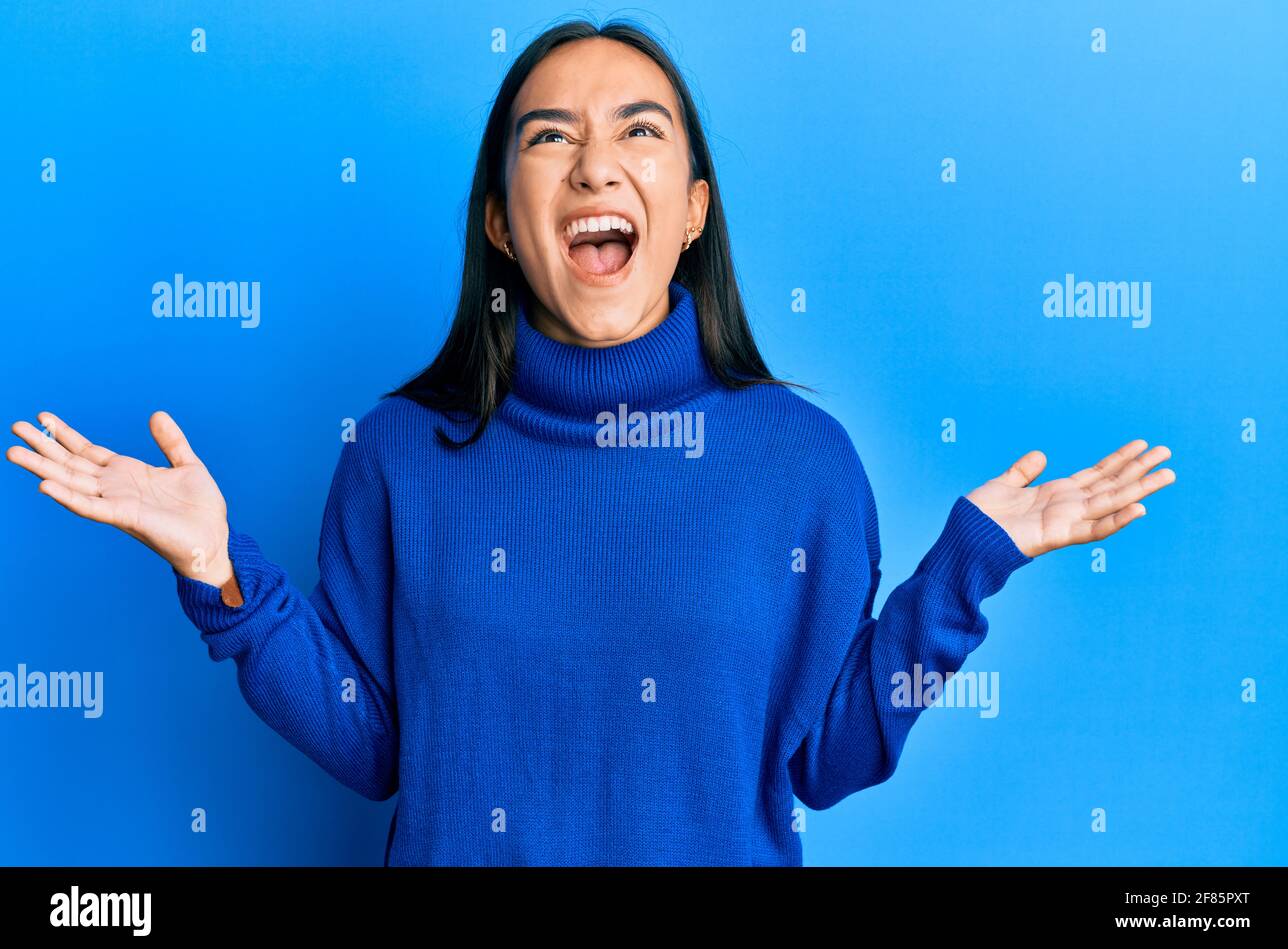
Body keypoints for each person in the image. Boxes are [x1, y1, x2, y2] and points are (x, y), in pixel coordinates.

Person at [5, 19, 1175, 866]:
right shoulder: (401, 455)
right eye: (548, 137)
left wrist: (968, 566)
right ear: (502, 225)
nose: (594, 163)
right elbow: (375, 749)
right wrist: (222, 576)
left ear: (695, 210)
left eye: (638, 132)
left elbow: (826, 753)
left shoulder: (800, 462)